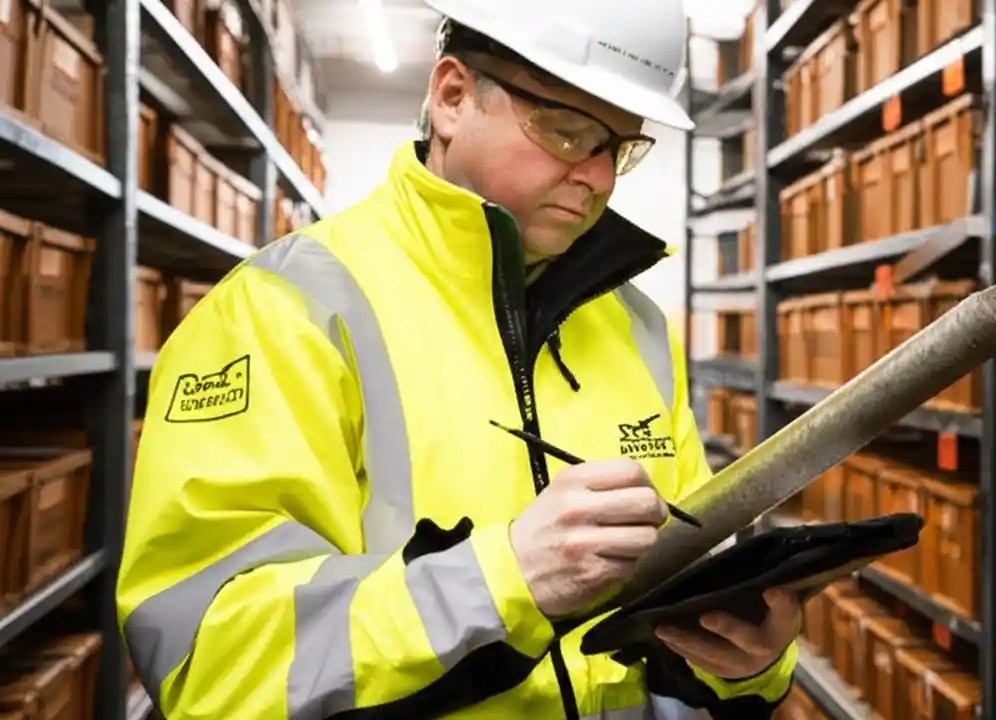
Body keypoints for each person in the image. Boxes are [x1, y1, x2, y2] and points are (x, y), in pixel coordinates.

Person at [116, 1, 801, 717]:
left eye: (622, 148)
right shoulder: (280, 314)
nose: (598, 177)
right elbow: (211, 663)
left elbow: (678, 586)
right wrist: (503, 581)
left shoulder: (637, 326)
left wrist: (745, 658)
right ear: (451, 97)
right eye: (568, 133)